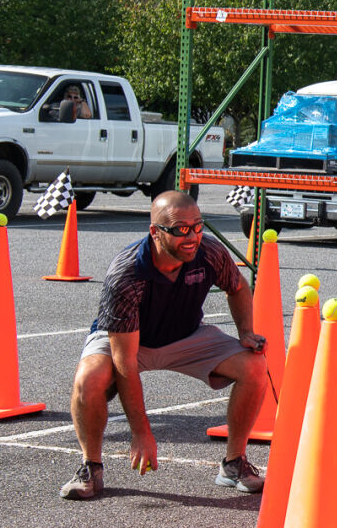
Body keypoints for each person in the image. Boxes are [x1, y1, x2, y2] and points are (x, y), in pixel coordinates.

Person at [60, 191, 268, 500]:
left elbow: (237, 286)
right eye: (180, 229)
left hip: (184, 335)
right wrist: (141, 431)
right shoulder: (127, 274)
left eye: (198, 226)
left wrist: (246, 332)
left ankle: (234, 464)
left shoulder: (209, 253)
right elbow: (125, 362)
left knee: (254, 366)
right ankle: (91, 466)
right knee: (89, 380)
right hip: (128, 341)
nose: (192, 237)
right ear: (155, 232)